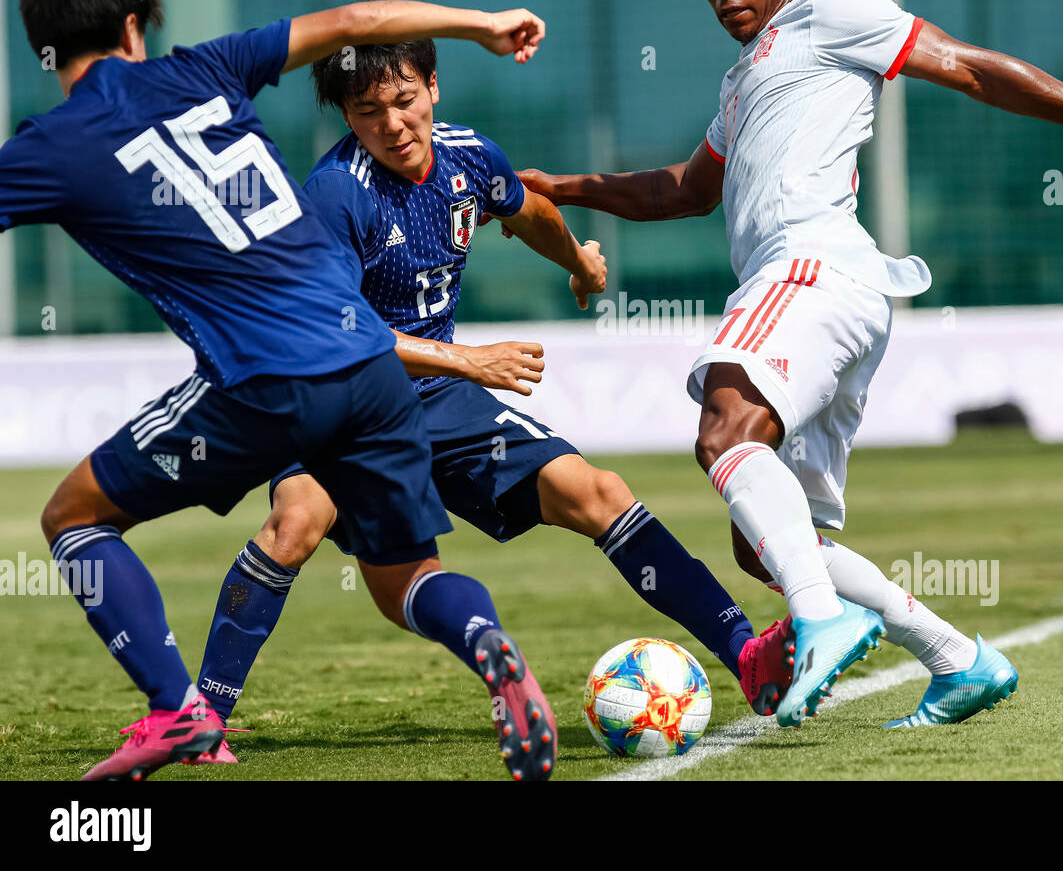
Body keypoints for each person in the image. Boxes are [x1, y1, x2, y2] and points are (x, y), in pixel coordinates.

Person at [518, 0, 1063, 728]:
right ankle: (959, 657)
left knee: (724, 424)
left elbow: (975, 70)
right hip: (828, 294)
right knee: (762, 536)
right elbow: (685, 191)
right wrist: (565, 187)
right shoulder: (742, 81)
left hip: (813, 268)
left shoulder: (830, 14)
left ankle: (823, 619)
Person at [3, 0, 556, 780]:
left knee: (74, 516)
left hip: (265, 378)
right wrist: (480, 25)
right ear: (131, 27)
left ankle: (176, 711)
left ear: (44, 48)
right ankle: (488, 645)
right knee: (405, 575)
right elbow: (359, 23)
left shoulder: (47, 146)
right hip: (374, 364)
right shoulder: (208, 66)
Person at [193, 40, 796, 765]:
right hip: (330, 397)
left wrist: (579, 263)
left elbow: (527, 205)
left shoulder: (469, 156)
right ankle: (204, 716)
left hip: (437, 397)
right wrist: (468, 359)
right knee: (296, 522)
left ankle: (746, 653)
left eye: (405, 98)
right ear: (347, 117)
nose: (392, 123)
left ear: (434, 86)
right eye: (367, 111)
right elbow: (337, 331)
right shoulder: (334, 194)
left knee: (598, 492)